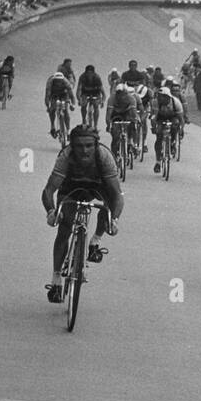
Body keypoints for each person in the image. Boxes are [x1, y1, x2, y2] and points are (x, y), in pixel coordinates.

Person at [40, 125, 124, 303]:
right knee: (64, 227)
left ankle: (95, 241)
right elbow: (49, 190)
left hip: (97, 186)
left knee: (107, 208)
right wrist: (51, 212)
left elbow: (117, 194)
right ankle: (56, 281)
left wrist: (114, 219)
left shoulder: (104, 156)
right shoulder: (66, 156)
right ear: (72, 145)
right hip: (71, 187)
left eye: (88, 146)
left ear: (96, 145)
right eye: (79, 146)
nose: (84, 150)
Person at [151, 80, 184, 172]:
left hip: (173, 116)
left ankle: (173, 142)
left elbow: (181, 118)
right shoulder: (155, 102)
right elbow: (154, 116)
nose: (160, 99)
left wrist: (181, 130)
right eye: (159, 96)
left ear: (167, 97)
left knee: (175, 126)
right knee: (159, 137)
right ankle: (158, 162)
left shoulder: (176, 102)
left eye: (162, 97)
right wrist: (154, 127)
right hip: (160, 118)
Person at [106, 82, 141, 155]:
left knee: (133, 124)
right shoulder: (112, 98)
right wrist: (109, 124)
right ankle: (114, 155)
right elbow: (109, 114)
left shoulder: (131, 98)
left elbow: (134, 113)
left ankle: (130, 141)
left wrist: (135, 121)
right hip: (115, 114)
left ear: (126, 93)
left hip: (127, 113)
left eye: (123, 93)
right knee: (115, 137)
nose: (121, 96)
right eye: (118, 93)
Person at [42, 66, 76, 139]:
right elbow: (47, 96)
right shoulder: (50, 82)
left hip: (64, 94)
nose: (58, 82)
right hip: (54, 94)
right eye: (56, 80)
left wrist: (73, 105)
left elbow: (72, 96)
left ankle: (68, 130)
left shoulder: (66, 82)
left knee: (66, 110)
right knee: (52, 109)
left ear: (62, 80)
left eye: (60, 81)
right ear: (54, 79)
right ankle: (52, 126)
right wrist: (48, 107)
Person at [76, 64, 105, 129]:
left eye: (91, 73)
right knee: (84, 105)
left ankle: (95, 125)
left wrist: (102, 101)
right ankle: (84, 120)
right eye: (88, 73)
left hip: (96, 93)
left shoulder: (97, 78)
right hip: (85, 93)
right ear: (85, 73)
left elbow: (103, 92)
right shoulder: (82, 77)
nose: (89, 75)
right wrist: (79, 99)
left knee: (96, 105)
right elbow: (79, 90)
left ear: (93, 73)